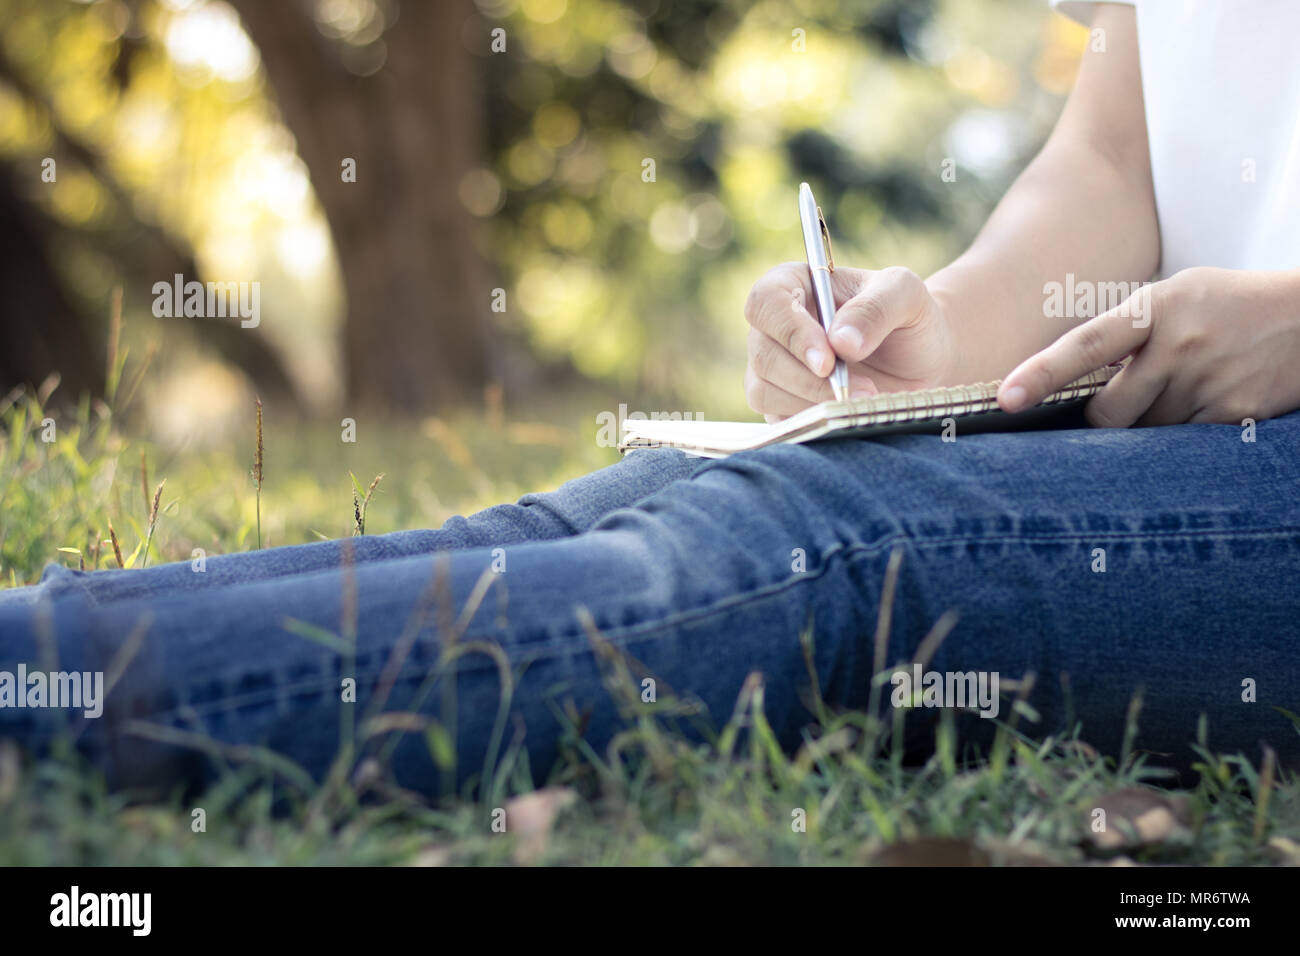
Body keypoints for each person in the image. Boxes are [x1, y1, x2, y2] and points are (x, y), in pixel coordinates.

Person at [2, 0, 1297, 794]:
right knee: (638, 509)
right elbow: (1114, 157)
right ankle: (36, 650)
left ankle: (38, 706)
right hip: (1174, 421)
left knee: (805, 552)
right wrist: (948, 330)